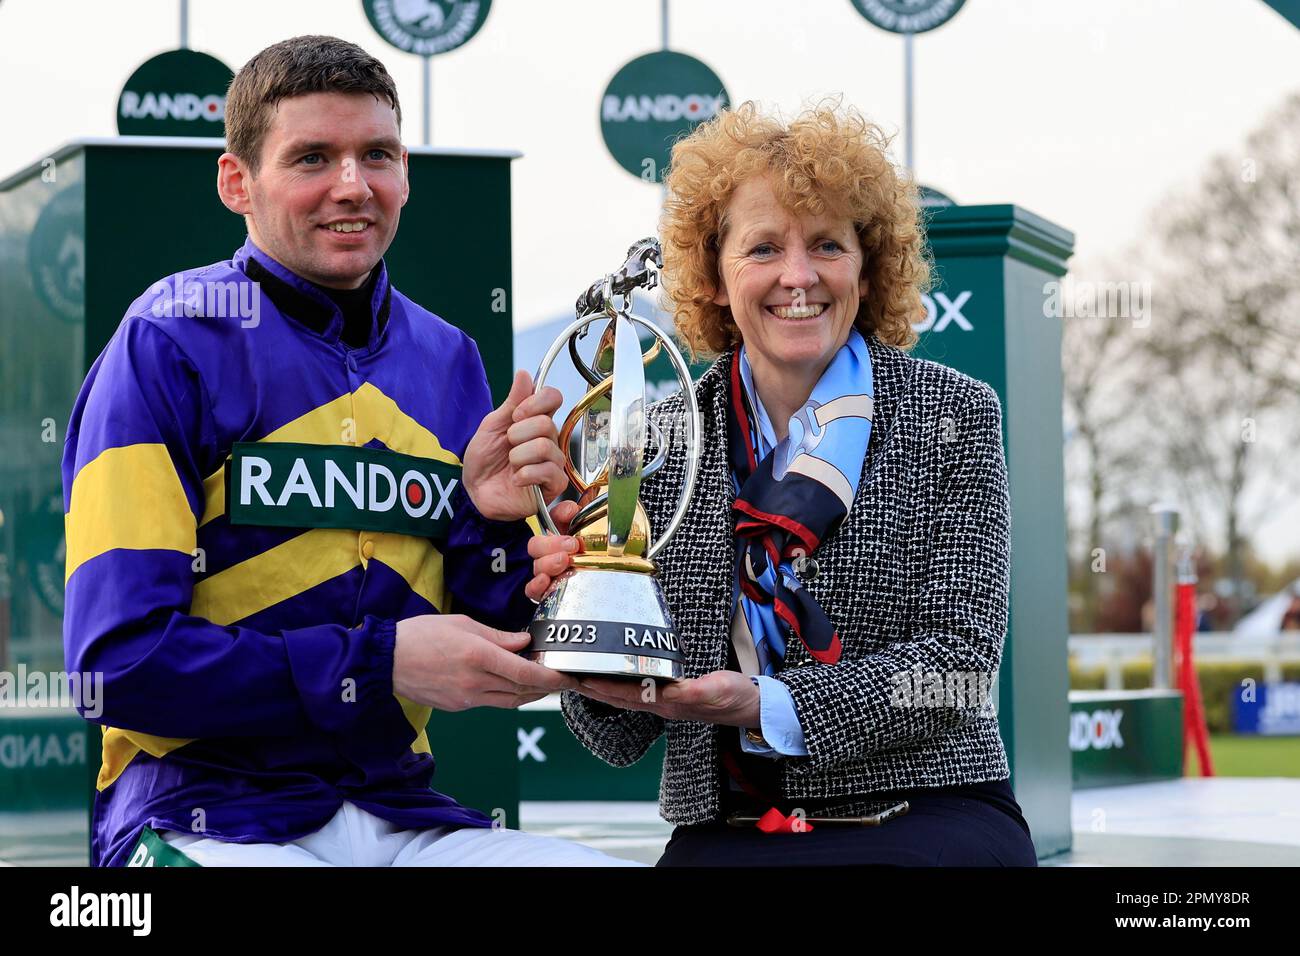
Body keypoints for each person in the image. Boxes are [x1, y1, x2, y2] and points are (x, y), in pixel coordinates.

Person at [62, 35, 633, 867]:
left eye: (377, 155)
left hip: (402, 807)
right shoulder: (167, 339)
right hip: (199, 809)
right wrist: (383, 660)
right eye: (312, 158)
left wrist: (500, 542)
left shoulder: (448, 358)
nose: (353, 186)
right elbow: (115, 667)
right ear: (237, 183)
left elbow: (481, 621)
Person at [531, 102, 1037, 866]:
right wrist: (579, 616)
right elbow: (618, 738)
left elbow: (958, 672)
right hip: (731, 823)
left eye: (827, 245)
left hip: (926, 809)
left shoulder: (953, 414)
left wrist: (771, 706)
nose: (797, 277)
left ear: (866, 267)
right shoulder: (650, 444)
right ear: (715, 273)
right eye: (763, 247)